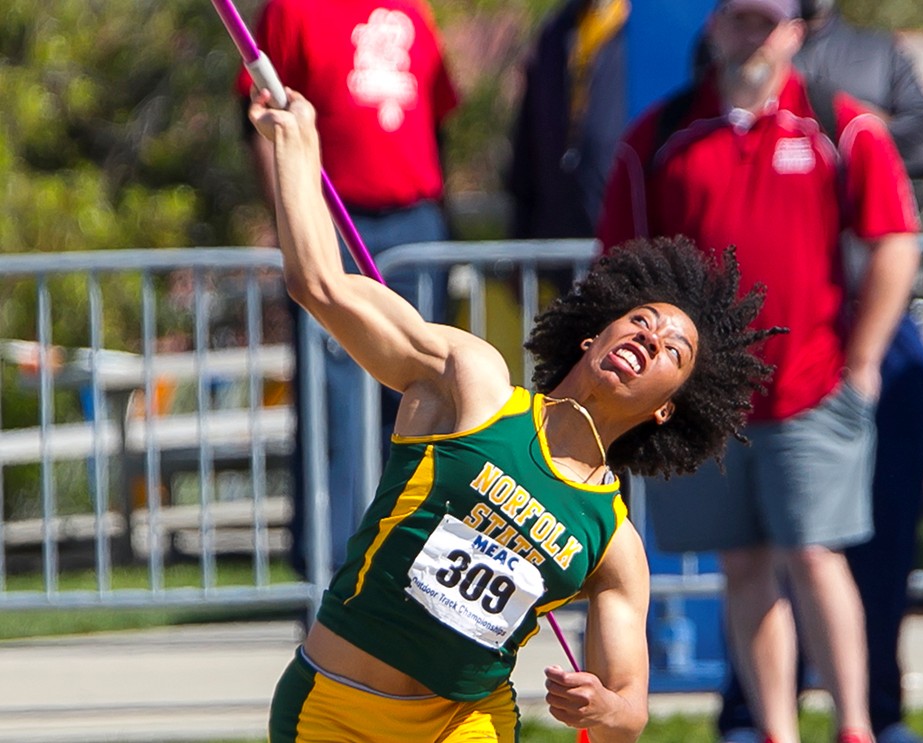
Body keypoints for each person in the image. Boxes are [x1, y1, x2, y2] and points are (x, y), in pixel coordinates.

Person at [249, 80, 780, 741]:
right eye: (642, 320)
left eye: (672, 350)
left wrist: (604, 708)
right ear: (593, 337)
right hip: (335, 707)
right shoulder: (471, 385)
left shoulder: (612, 544)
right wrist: (298, 147)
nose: (649, 337)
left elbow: (629, 713)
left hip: (464, 725)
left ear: (669, 408)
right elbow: (319, 285)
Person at [596, 0, 922, 741]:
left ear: (797, 32)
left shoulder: (842, 125)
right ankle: (776, 729)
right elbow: (620, 265)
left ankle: (854, 726)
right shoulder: (658, 139)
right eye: (740, 19)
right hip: (706, 400)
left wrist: (864, 362)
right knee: (741, 565)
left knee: (815, 556)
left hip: (811, 385)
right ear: (714, 27)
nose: (754, 35)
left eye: (768, 21)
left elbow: (895, 241)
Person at [714, 2, 923, 742]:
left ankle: (871, 713)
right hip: (748, 365)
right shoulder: (713, 65)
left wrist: (849, 126)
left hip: (845, 349)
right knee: (752, 556)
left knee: (847, 547)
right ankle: (753, 715)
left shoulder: (870, 62)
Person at [236, 0, 459, 573]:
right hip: (336, 222)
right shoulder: (293, 9)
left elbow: (437, 122)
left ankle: (414, 569)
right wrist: (295, 222)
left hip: (415, 223)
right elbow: (263, 121)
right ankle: (333, 576)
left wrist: (444, 220)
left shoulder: (412, 10)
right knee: (335, 410)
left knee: (424, 395)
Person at [506, 0, 630, 239]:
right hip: (560, 235)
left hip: (623, 237)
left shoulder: (641, 31)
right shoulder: (556, 34)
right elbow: (528, 144)